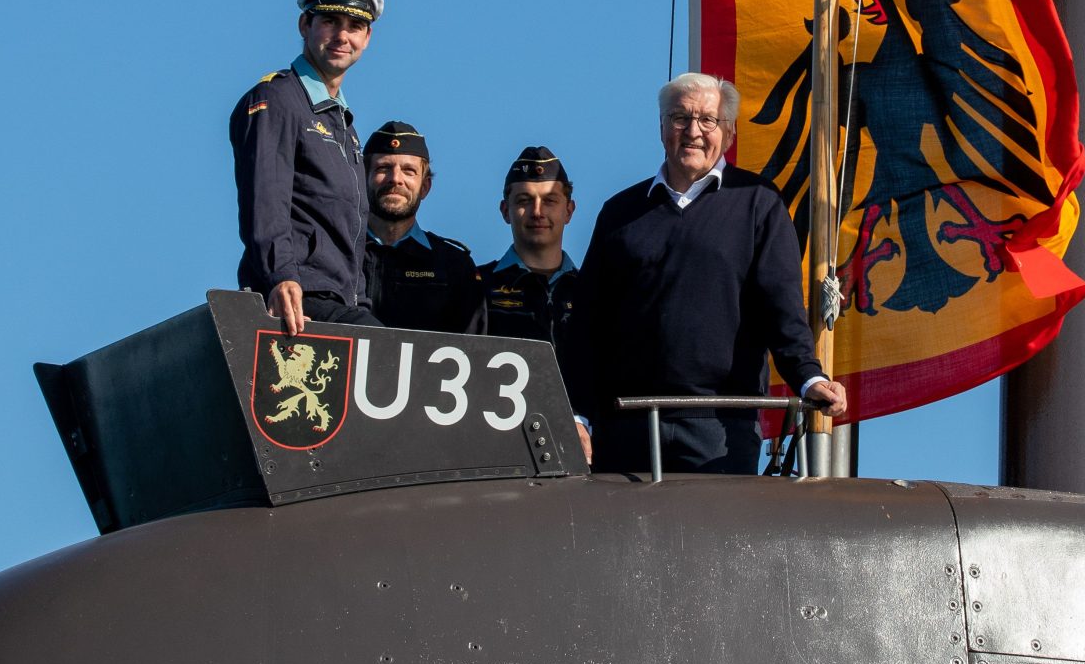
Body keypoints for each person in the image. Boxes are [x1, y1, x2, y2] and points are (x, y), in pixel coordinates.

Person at [567, 72, 848, 474]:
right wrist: (579, 417)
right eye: (680, 118)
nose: (693, 131)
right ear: (661, 127)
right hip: (626, 424)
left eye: (707, 120)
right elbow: (587, 328)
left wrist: (808, 378)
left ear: (728, 132)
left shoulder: (758, 204)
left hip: (721, 426)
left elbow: (780, 309)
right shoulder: (619, 213)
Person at [229, 0, 385, 336]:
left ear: (367, 38)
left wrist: (359, 299)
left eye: (355, 26)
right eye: (330, 21)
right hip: (300, 301)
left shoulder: (343, 124)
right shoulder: (277, 98)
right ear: (305, 26)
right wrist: (280, 275)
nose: (342, 35)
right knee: (395, 360)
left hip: (341, 303)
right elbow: (266, 198)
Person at [363, 120, 487, 333]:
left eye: (408, 171)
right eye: (384, 168)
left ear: (425, 187)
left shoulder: (454, 266)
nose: (396, 179)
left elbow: (475, 354)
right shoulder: (335, 255)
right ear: (361, 178)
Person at [481, 146, 577, 346]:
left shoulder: (593, 291)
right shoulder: (476, 287)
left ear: (568, 211)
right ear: (506, 211)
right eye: (524, 200)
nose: (537, 212)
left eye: (550, 200)